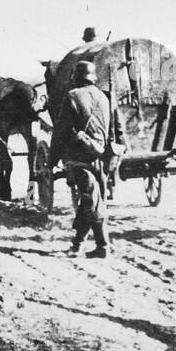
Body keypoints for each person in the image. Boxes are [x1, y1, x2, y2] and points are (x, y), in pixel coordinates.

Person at [50, 60, 125, 257]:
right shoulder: (106, 97)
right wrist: (120, 150)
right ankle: (81, 244)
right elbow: (119, 128)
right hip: (103, 158)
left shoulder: (72, 96)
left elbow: (60, 131)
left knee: (91, 200)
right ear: (93, 77)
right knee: (91, 199)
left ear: (75, 77)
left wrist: (51, 161)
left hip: (79, 158)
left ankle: (102, 246)